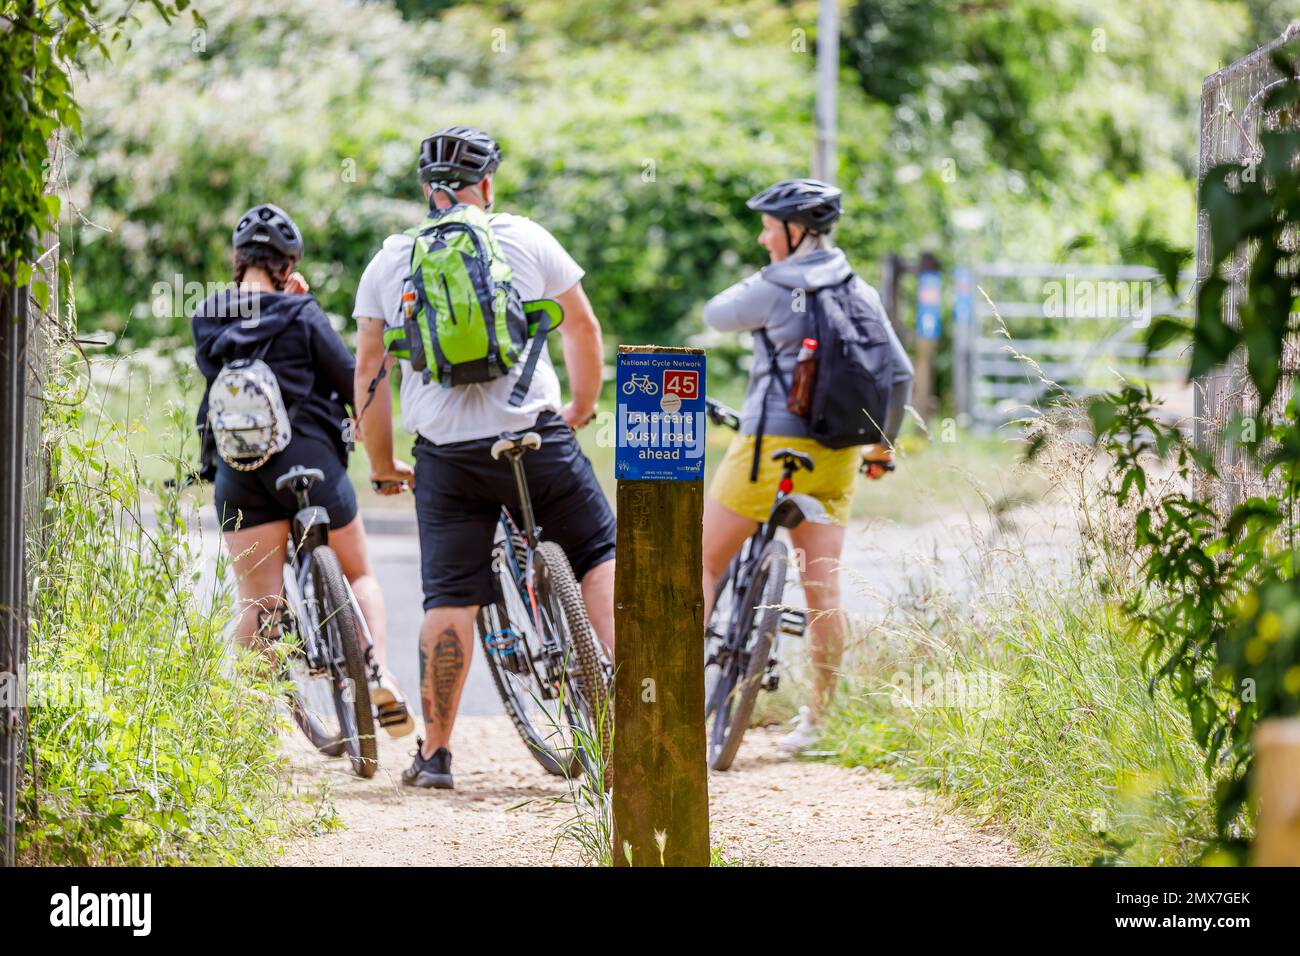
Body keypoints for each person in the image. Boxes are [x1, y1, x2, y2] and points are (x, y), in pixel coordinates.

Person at [352, 127, 615, 790]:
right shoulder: (525, 237)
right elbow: (583, 327)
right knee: (596, 555)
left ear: (425, 190)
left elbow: (370, 372)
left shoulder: (391, 260)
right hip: (537, 436)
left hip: (449, 458)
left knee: (450, 596)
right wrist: (581, 406)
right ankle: (638, 704)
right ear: (487, 186)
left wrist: (382, 465)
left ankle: (436, 754)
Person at [700, 178, 914, 754]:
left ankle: (671, 699)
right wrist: (881, 446)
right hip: (838, 455)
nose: (763, 237)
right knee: (822, 587)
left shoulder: (773, 286)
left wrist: (765, 280)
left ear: (796, 232)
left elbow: (716, 313)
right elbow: (900, 375)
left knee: (705, 564)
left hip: (768, 450)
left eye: (770, 228)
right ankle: (819, 722)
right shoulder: (859, 289)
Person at [193, 202, 413, 736]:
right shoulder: (302, 311)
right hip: (309, 463)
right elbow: (350, 379)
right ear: (288, 265)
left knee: (259, 602)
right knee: (359, 573)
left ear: (238, 261)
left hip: (240, 471)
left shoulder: (208, 315)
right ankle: (378, 672)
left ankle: (243, 730)